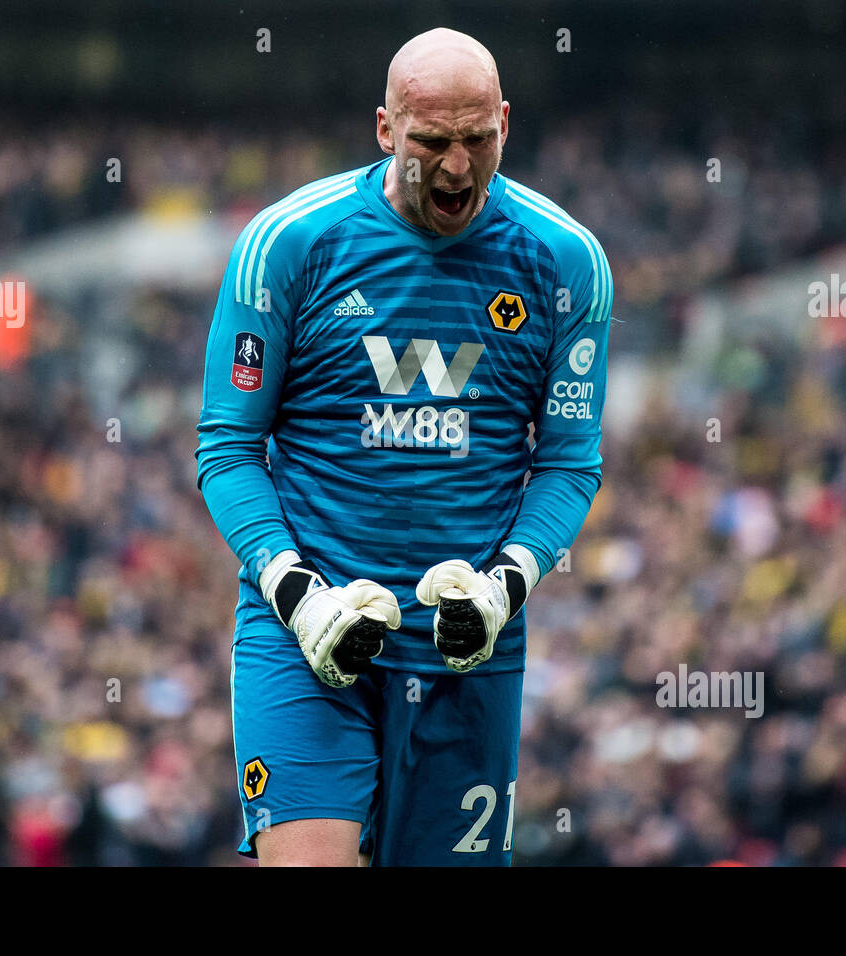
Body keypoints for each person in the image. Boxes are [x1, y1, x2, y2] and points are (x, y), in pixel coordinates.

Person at [195, 27, 612, 865]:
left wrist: (505, 586)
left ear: (506, 123)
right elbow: (228, 445)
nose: (457, 168)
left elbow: (569, 461)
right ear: (386, 130)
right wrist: (296, 593)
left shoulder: (567, 262)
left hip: (470, 648)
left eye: (477, 140)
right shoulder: (288, 246)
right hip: (305, 637)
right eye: (431, 143)